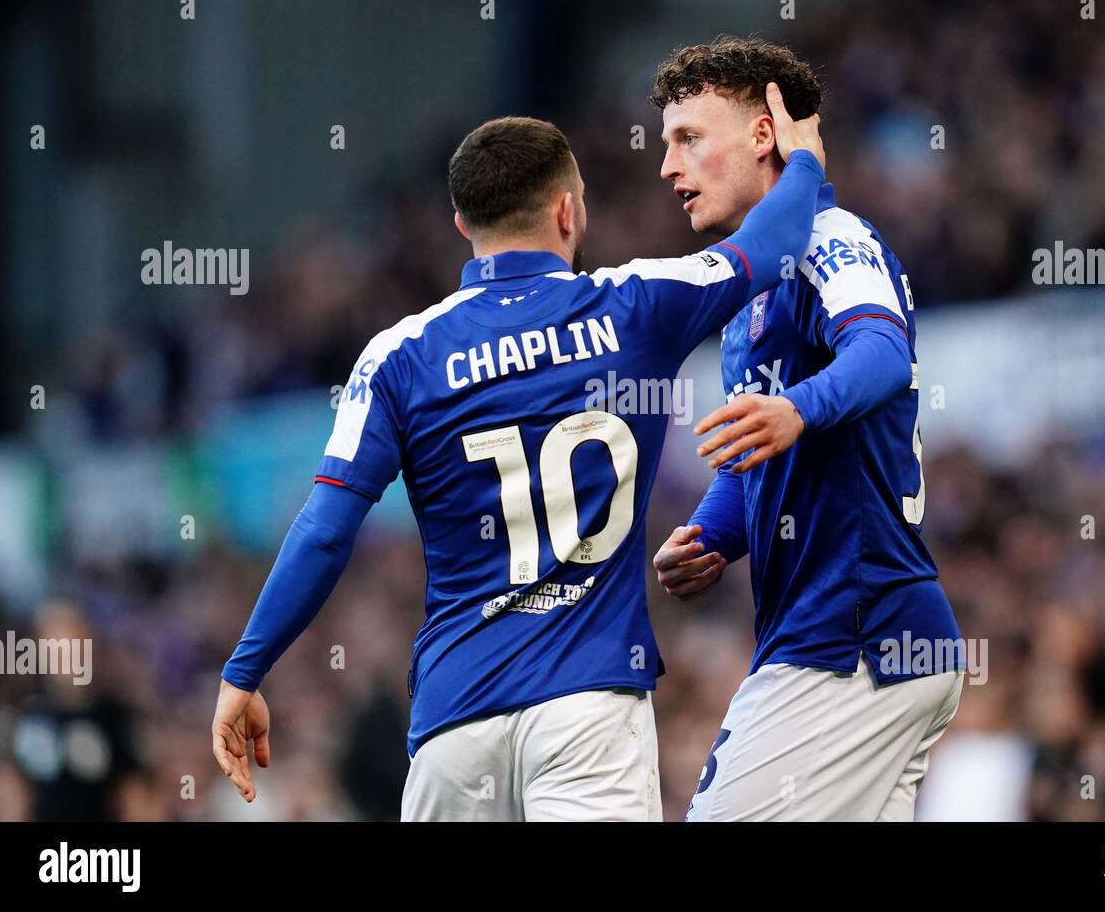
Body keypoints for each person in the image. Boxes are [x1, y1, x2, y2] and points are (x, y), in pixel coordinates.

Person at [213, 88, 826, 821]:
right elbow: (774, 243)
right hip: (588, 706)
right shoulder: (635, 304)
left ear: (462, 223)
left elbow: (324, 529)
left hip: (454, 720)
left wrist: (245, 670)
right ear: (568, 210)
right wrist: (804, 161)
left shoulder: (398, 356)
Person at [649, 37, 964, 821]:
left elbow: (882, 351)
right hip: (849, 635)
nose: (667, 166)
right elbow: (750, 459)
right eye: (664, 143)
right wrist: (713, 535)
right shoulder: (746, 295)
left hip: (855, 633)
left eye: (689, 137)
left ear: (765, 135)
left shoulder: (830, 238)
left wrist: (797, 409)